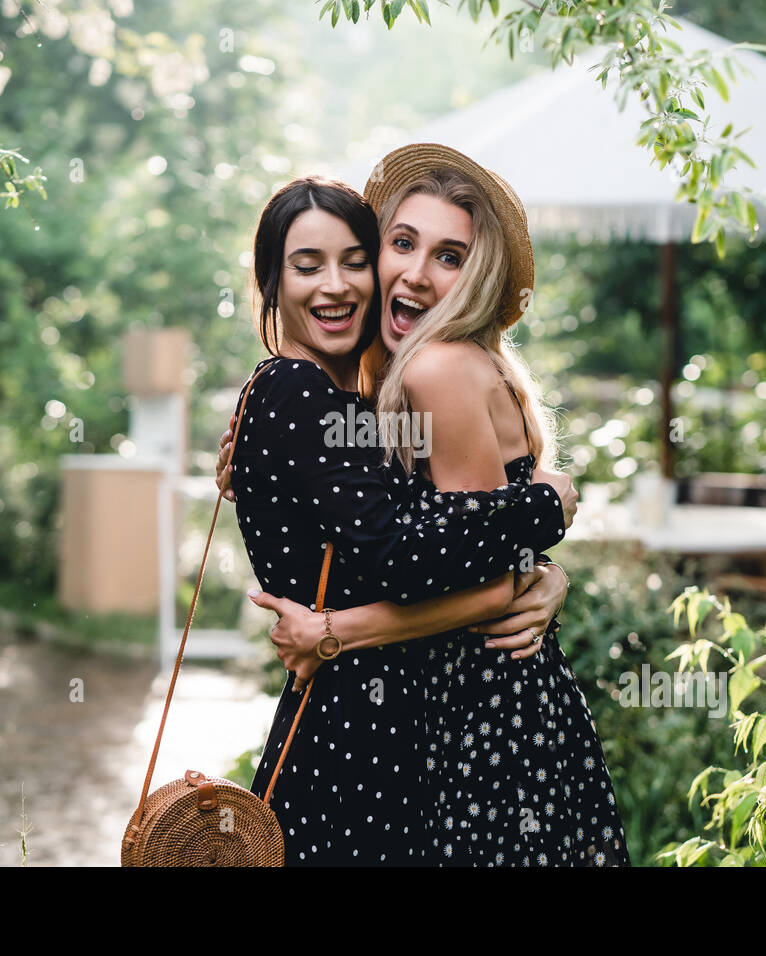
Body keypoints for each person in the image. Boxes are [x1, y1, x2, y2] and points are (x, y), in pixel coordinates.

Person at [237, 145, 632, 866]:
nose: (416, 273)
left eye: (450, 257)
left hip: (478, 722)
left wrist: (336, 631)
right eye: (403, 244)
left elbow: (475, 575)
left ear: (474, 281)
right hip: (410, 723)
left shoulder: (435, 368)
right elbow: (462, 558)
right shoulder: (332, 391)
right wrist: (539, 537)